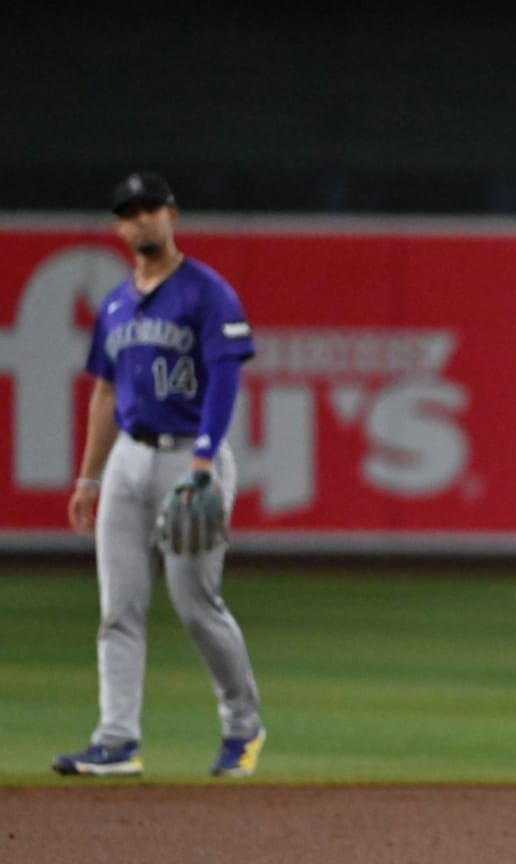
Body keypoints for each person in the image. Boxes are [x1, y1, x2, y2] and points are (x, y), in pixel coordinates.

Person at [54, 171, 266, 778]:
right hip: (127, 457)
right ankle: (116, 740)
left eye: (151, 208)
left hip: (189, 458)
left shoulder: (207, 292)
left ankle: (243, 726)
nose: (141, 220)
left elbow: (226, 376)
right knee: (118, 607)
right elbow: (103, 391)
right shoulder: (116, 304)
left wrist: (203, 460)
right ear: (120, 228)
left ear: (173, 216)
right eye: (130, 213)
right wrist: (88, 478)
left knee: (195, 604)